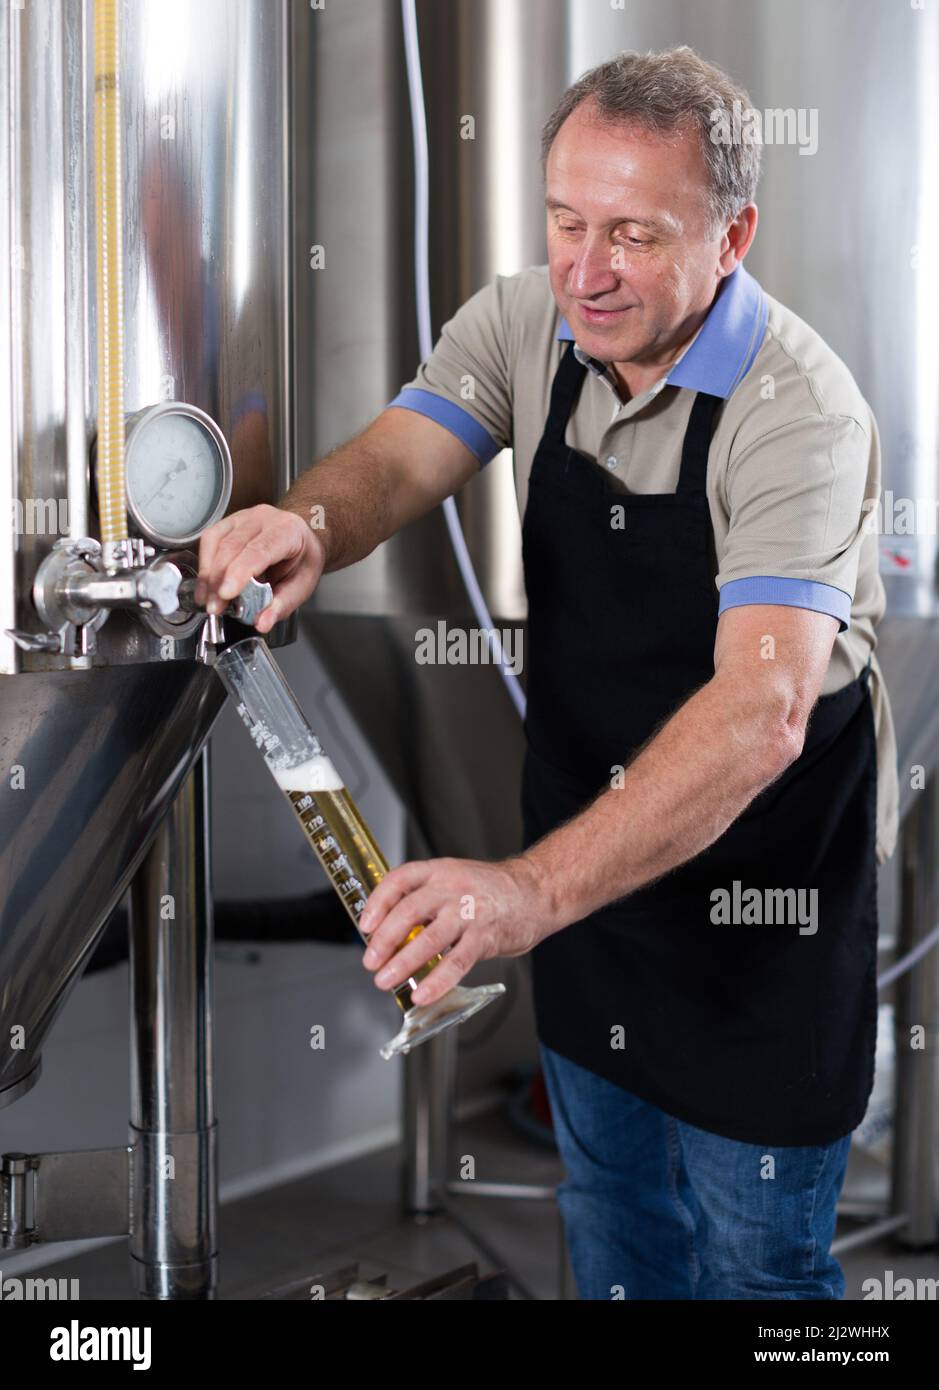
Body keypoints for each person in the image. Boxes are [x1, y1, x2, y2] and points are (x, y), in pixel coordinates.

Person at [197, 46, 899, 1300]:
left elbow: (761, 712)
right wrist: (308, 523)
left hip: (762, 913)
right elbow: (399, 462)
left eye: (632, 233)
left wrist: (519, 896)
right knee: (617, 1234)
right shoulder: (533, 320)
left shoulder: (803, 412)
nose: (586, 269)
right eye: (567, 220)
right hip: (593, 889)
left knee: (757, 1274)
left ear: (733, 233)